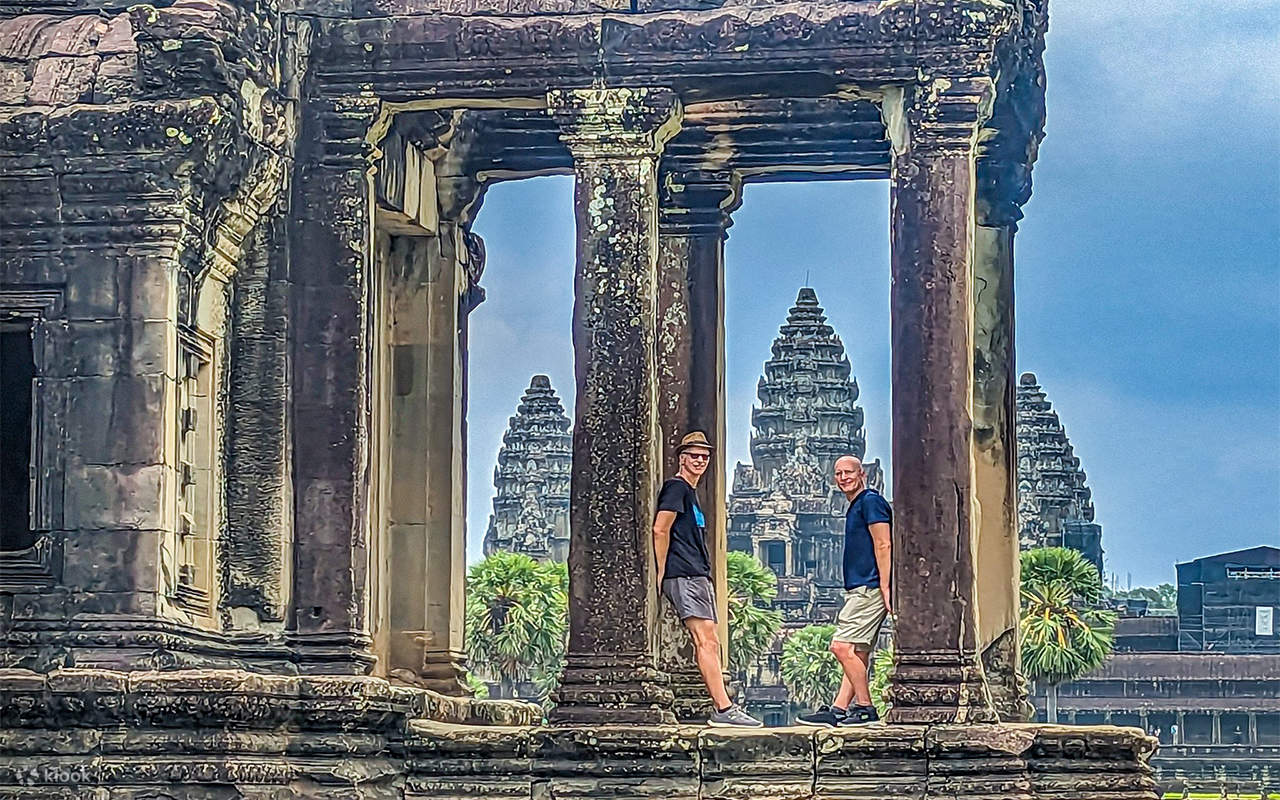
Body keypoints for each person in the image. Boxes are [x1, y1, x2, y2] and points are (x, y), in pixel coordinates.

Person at [654, 431, 762, 728]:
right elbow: (660, 529)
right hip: (685, 573)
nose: (700, 461)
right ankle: (724, 707)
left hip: (697, 574)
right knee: (707, 641)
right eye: (694, 456)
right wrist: (660, 570)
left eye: (705, 456)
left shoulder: (691, 492)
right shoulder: (676, 488)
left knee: (711, 640)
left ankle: (724, 706)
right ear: (681, 459)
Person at [796, 455, 892, 727]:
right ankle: (839, 708)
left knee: (841, 647)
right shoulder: (857, 505)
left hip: (869, 585)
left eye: (849, 472)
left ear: (862, 474)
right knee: (858, 651)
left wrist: (885, 585)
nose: (843, 478)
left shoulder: (871, 501)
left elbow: (883, 543)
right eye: (838, 473)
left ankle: (865, 706)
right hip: (859, 585)